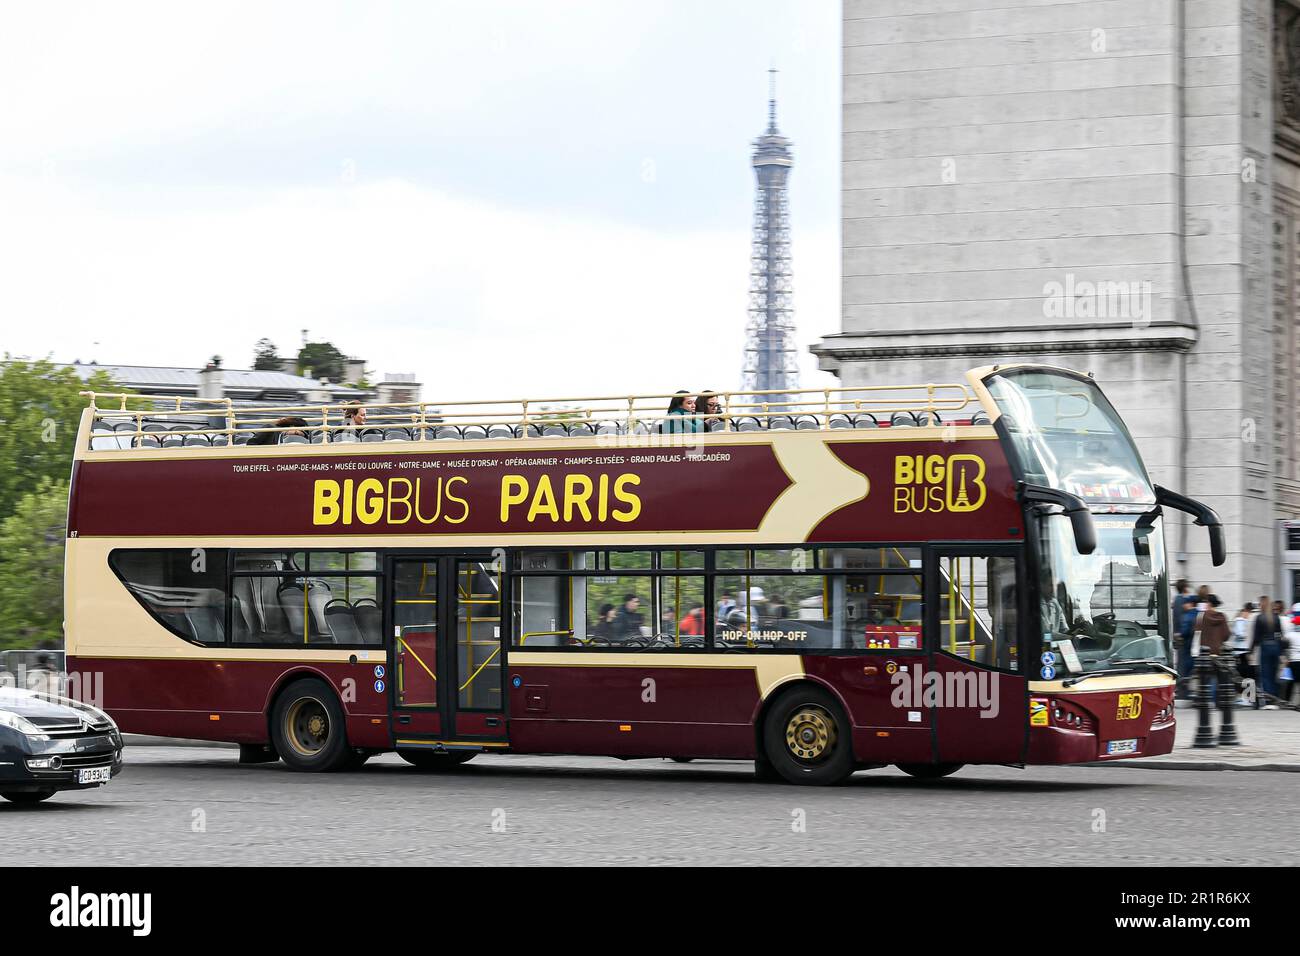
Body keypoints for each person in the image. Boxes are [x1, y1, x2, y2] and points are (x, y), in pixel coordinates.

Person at [1251, 595, 1284, 709]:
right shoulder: (1276, 617)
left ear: (1261, 605)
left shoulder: (1259, 618)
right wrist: (1281, 652)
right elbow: (1280, 635)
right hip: (1276, 647)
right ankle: (1275, 700)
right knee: (1274, 674)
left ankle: (1269, 701)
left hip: (1264, 647)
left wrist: (1251, 651)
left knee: (1265, 675)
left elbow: (1256, 637)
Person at [1172, 579, 1198, 698]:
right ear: (1185, 588)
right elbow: (1181, 619)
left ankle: (1182, 689)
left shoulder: (1179, 599)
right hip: (1183, 636)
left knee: (1183, 663)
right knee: (1183, 664)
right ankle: (1182, 691)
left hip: (1181, 635)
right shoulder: (1181, 600)